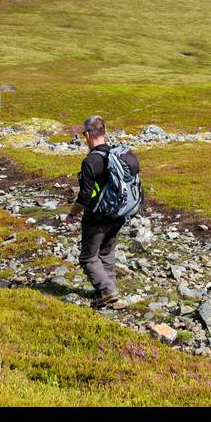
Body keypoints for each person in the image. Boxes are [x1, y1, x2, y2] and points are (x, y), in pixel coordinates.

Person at [64, 114, 140, 308]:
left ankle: (107, 290)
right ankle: (107, 292)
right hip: (121, 213)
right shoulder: (118, 154)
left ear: (87, 135)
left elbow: (85, 196)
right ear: (104, 133)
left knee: (88, 257)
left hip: (98, 216)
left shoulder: (91, 161)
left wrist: (72, 214)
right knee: (106, 253)